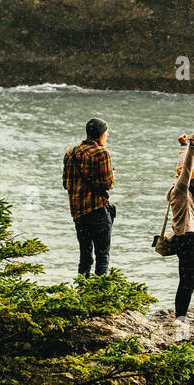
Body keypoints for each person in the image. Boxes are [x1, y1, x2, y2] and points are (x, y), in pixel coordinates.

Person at [63, 117, 114, 276]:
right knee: (102, 256)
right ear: (100, 135)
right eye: (106, 134)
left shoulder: (70, 153)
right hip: (97, 210)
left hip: (78, 214)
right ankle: (99, 296)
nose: (107, 136)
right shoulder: (102, 153)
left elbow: (66, 184)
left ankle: (81, 293)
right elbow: (108, 184)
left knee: (85, 257)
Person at [167, 132, 194, 323]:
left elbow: (181, 170)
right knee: (188, 282)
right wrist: (192, 146)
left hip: (184, 239)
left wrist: (182, 147)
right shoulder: (181, 190)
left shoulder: (179, 190)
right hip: (186, 239)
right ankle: (181, 317)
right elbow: (186, 169)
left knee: (185, 280)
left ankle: (180, 315)